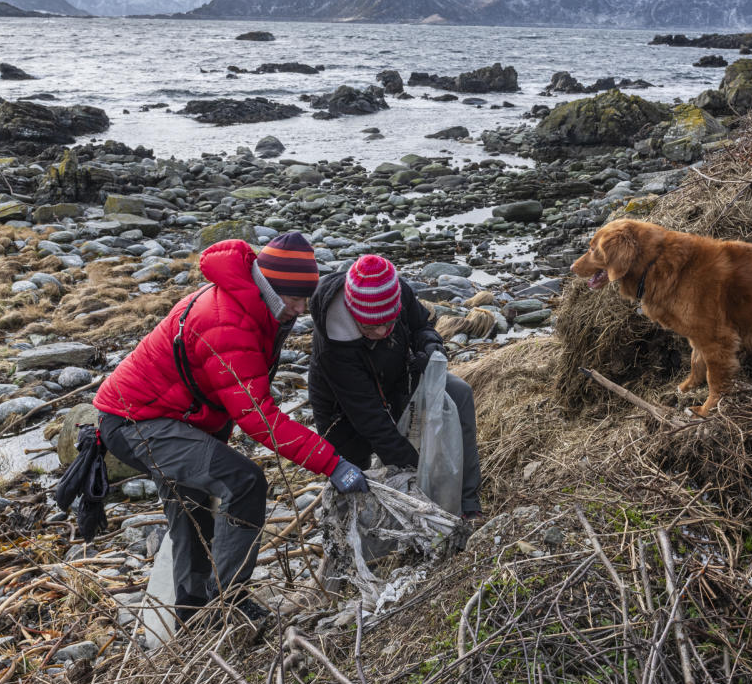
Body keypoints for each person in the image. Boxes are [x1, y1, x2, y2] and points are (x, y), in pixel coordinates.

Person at [93, 233, 368, 625]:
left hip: (170, 416)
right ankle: (228, 601)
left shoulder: (255, 303)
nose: (301, 308)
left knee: (192, 509)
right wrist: (333, 464)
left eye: (305, 299)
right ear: (272, 288)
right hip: (135, 421)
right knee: (244, 482)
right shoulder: (226, 322)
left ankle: (193, 616)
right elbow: (259, 418)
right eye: (294, 300)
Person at [307, 254, 483, 520]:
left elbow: (420, 325)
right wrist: (412, 465)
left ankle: (468, 505)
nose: (380, 332)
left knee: (458, 394)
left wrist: (429, 344)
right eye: (369, 326)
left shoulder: (397, 291)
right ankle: (358, 541)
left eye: (388, 323)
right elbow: (370, 418)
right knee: (354, 480)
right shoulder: (332, 344)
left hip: (398, 379)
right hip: (342, 411)